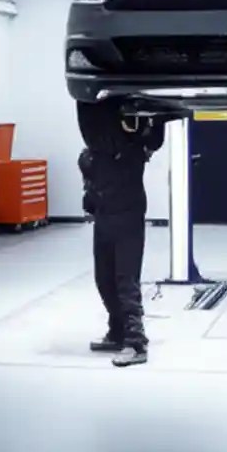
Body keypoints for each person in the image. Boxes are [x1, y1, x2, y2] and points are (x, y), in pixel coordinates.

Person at [77, 99, 166, 367]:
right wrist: (90, 204)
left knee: (125, 280)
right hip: (104, 215)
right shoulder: (94, 151)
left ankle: (135, 342)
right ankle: (117, 331)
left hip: (128, 215)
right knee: (104, 279)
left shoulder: (137, 144)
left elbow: (156, 132)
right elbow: (91, 180)